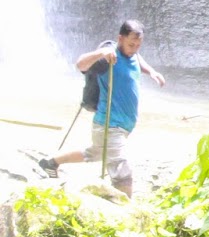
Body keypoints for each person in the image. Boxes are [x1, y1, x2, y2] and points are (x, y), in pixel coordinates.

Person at [39, 20, 165, 195]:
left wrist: (151, 71)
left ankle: (51, 162)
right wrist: (100, 53)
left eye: (138, 45)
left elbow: (138, 59)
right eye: (131, 44)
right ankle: (127, 210)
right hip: (109, 124)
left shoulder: (133, 54)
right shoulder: (108, 58)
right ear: (120, 39)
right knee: (123, 172)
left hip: (123, 125)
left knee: (95, 152)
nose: (134, 48)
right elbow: (80, 64)